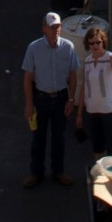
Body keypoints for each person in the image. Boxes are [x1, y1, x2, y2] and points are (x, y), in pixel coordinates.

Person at [21, 11, 80, 188]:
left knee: (59, 137)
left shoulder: (68, 47)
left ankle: (58, 171)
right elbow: (28, 78)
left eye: (58, 27)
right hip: (41, 98)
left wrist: (71, 99)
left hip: (61, 98)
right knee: (38, 138)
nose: (56, 30)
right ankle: (36, 172)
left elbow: (73, 75)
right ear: (44, 29)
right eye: (53, 27)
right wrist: (29, 103)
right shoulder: (34, 48)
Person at [77, 25, 112, 162]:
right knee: (97, 146)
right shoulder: (88, 61)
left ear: (103, 42)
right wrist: (79, 113)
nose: (95, 46)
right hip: (93, 110)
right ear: (88, 44)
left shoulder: (110, 57)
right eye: (92, 43)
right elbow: (84, 87)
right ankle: (100, 170)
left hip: (110, 111)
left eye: (98, 42)